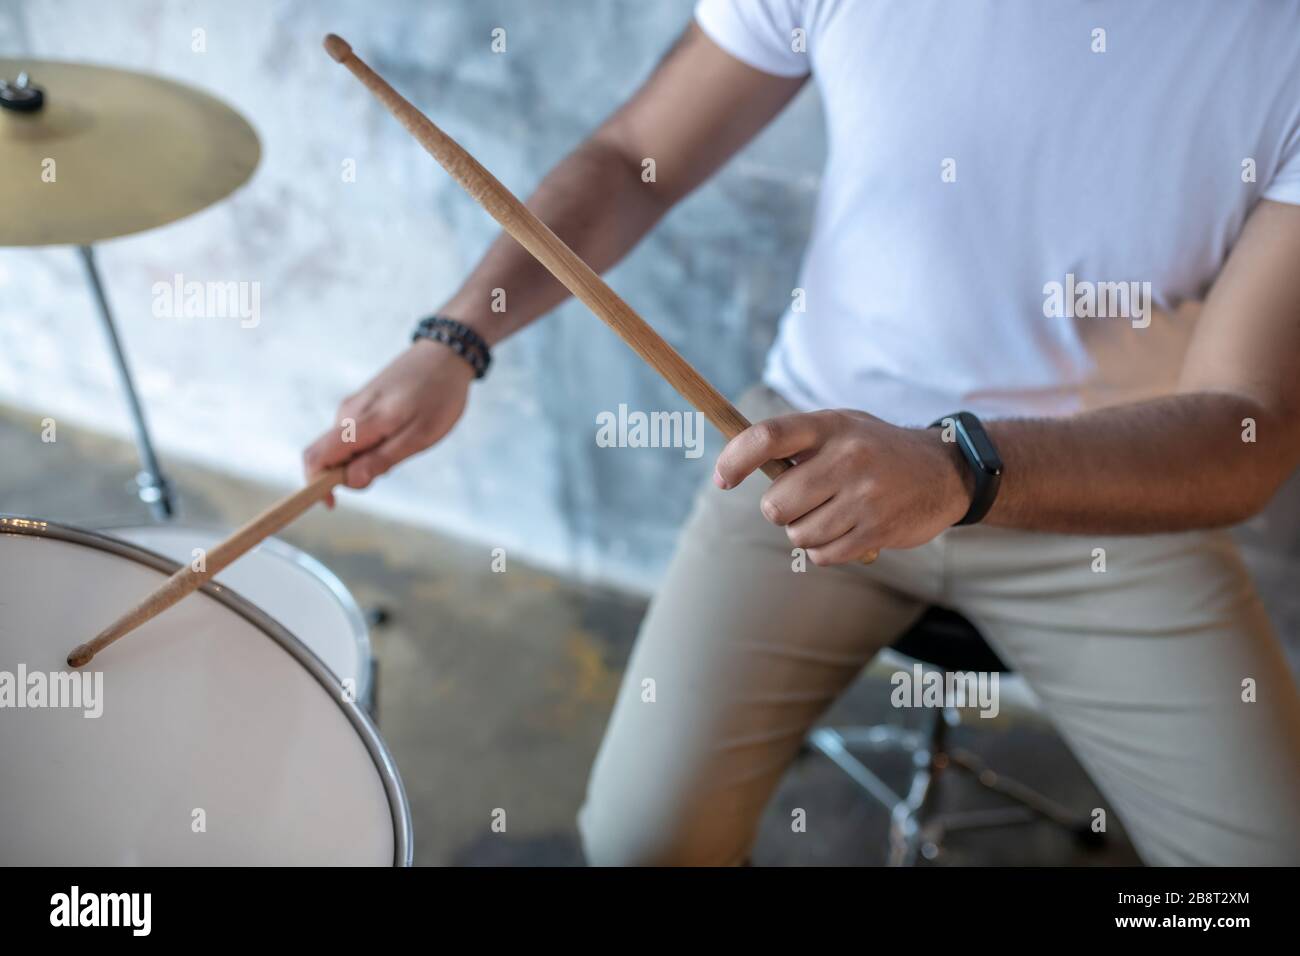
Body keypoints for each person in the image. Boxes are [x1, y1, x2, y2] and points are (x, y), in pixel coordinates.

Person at [305, 1, 1300, 865]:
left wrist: (954, 467)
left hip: (1095, 509)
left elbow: (1246, 425)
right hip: (793, 464)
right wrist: (455, 336)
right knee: (639, 844)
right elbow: (629, 163)